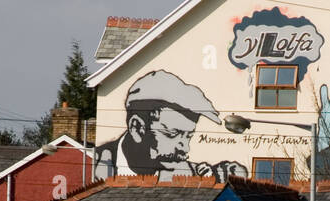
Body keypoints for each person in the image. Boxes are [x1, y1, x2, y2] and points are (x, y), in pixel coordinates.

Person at [93, 70, 246, 183]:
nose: (185, 149)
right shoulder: (89, 164)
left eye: (188, 136)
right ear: (137, 127)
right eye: (173, 133)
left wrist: (226, 174)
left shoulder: (189, 173)